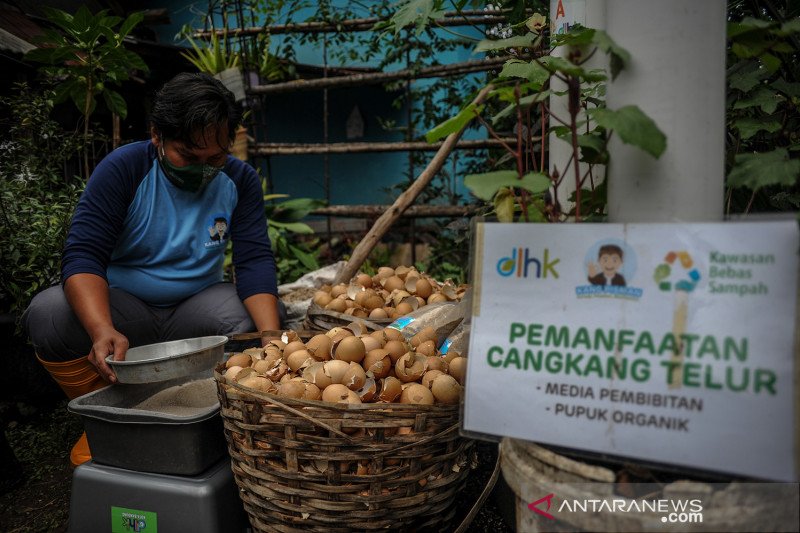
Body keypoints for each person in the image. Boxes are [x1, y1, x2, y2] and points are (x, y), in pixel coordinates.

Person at [23, 73, 282, 464]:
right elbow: (83, 255)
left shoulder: (239, 180)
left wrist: (271, 336)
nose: (202, 169)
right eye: (188, 156)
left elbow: (254, 260)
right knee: (50, 315)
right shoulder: (124, 168)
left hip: (195, 309)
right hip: (126, 313)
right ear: (157, 135)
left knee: (248, 318)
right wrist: (101, 329)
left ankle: (211, 414)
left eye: (215, 158)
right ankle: (108, 417)